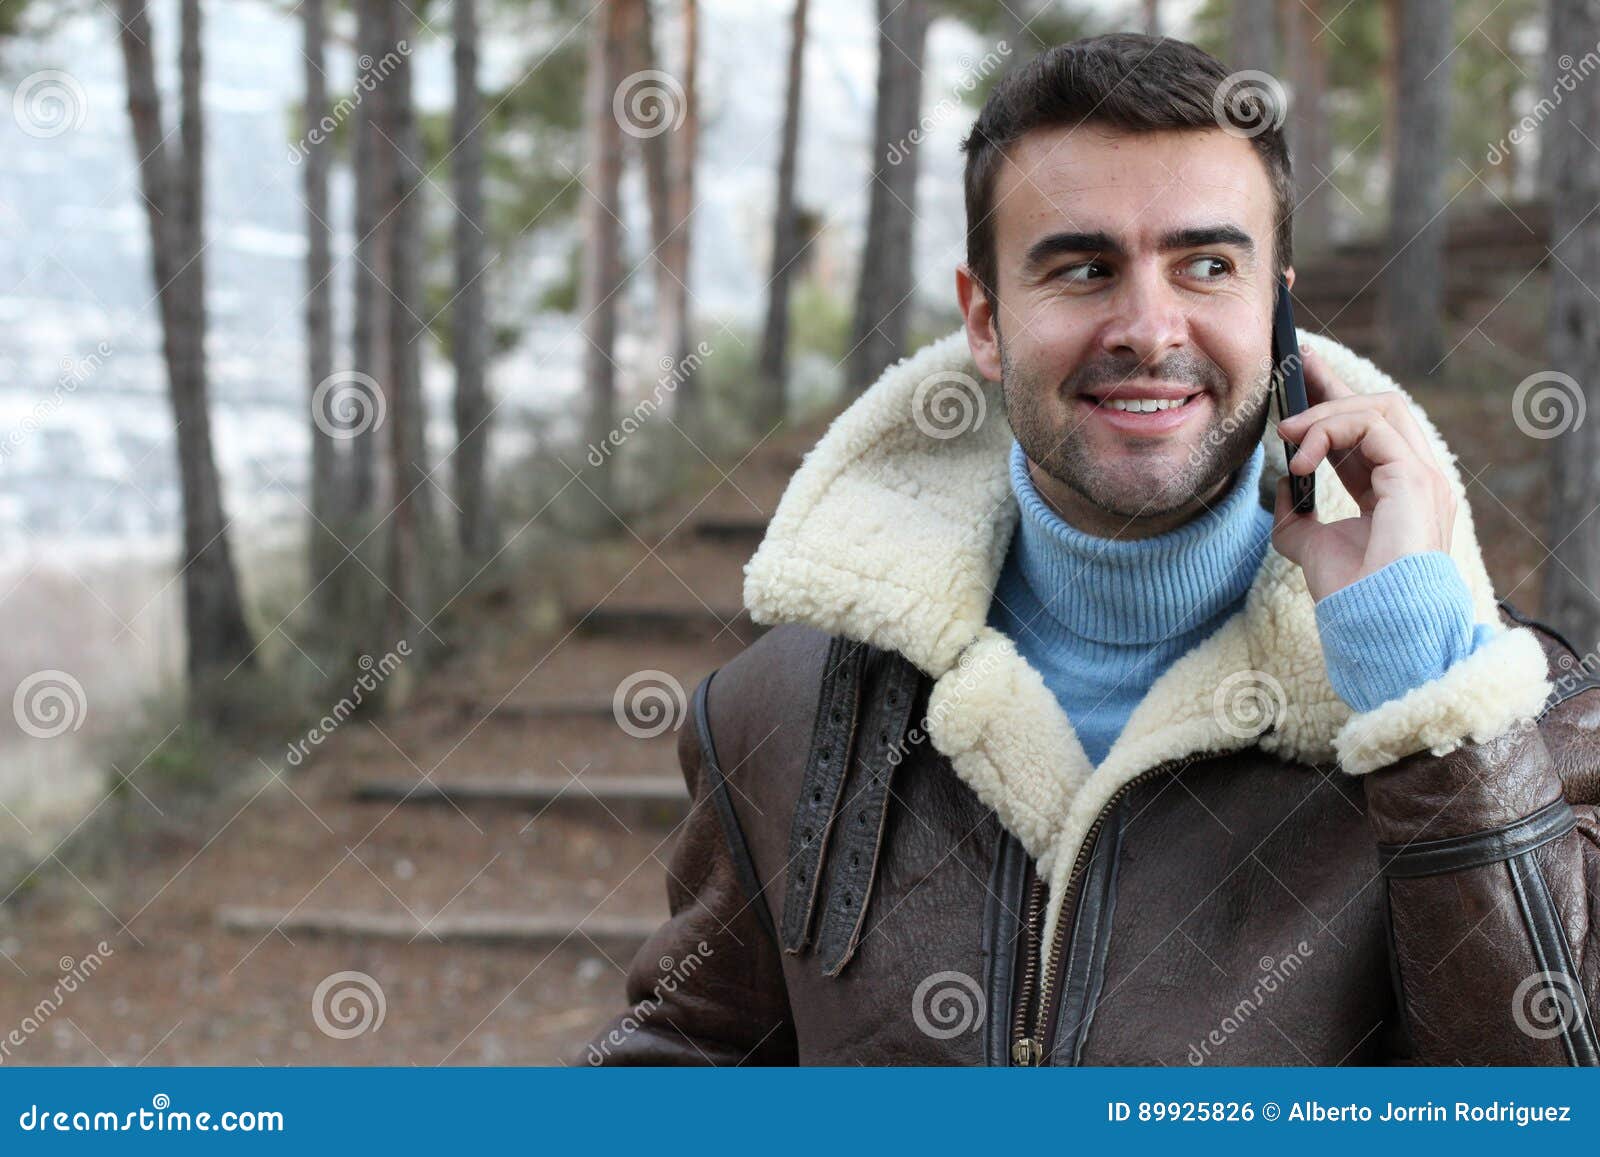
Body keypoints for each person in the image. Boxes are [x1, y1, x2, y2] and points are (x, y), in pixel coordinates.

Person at [580, 32, 1600, 1066]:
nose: (1149, 328)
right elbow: (684, 1056)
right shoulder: (779, 712)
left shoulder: (1519, 718)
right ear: (984, 319)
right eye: (1083, 268)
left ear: (1277, 309)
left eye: (1207, 265)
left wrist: (1424, 704)